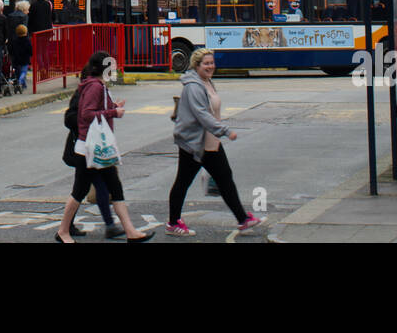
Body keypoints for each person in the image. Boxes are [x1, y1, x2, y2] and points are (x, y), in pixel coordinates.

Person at [55, 51, 153, 243]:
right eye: (112, 67)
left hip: (96, 149)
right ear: (104, 68)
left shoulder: (98, 86)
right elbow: (86, 114)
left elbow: (94, 110)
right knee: (79, 191)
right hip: (89, 149)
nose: (115, 70)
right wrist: (114, 112)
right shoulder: (95, 87)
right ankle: (63, 231)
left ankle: (130, 231)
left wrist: (112, 106)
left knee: (115, 188)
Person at [166, 48, 264, 236]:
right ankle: (172, 223)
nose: (210, 66)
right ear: (197, 66)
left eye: (212, 63)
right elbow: (202, 115)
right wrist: (225, 131)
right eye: (206, 64)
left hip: (210, 140)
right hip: (194, 143)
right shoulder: (194, 86)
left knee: (224, 177)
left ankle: (243, 219)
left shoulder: (207, 81)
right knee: (183, 182)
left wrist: (219, 132)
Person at [56, 84, 123, 241]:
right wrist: (87, 123)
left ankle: (68, 226)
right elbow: (70, 118)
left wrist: (112, 108)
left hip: (96, 147)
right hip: (85, 148)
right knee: (93, 187)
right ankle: (109, 225)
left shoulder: (98, 91)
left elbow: (99, 113)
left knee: (84, 188)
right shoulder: (84, 92)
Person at [10, 23, 33, 90]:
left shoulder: (15, 41)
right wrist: (30, 54)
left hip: (16, 59)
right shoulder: (27, 40)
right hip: (25, 59)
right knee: (23, 72)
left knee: (17, 72)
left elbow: (11, 49)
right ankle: (20, 82)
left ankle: (23, 85)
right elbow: (30, 50)